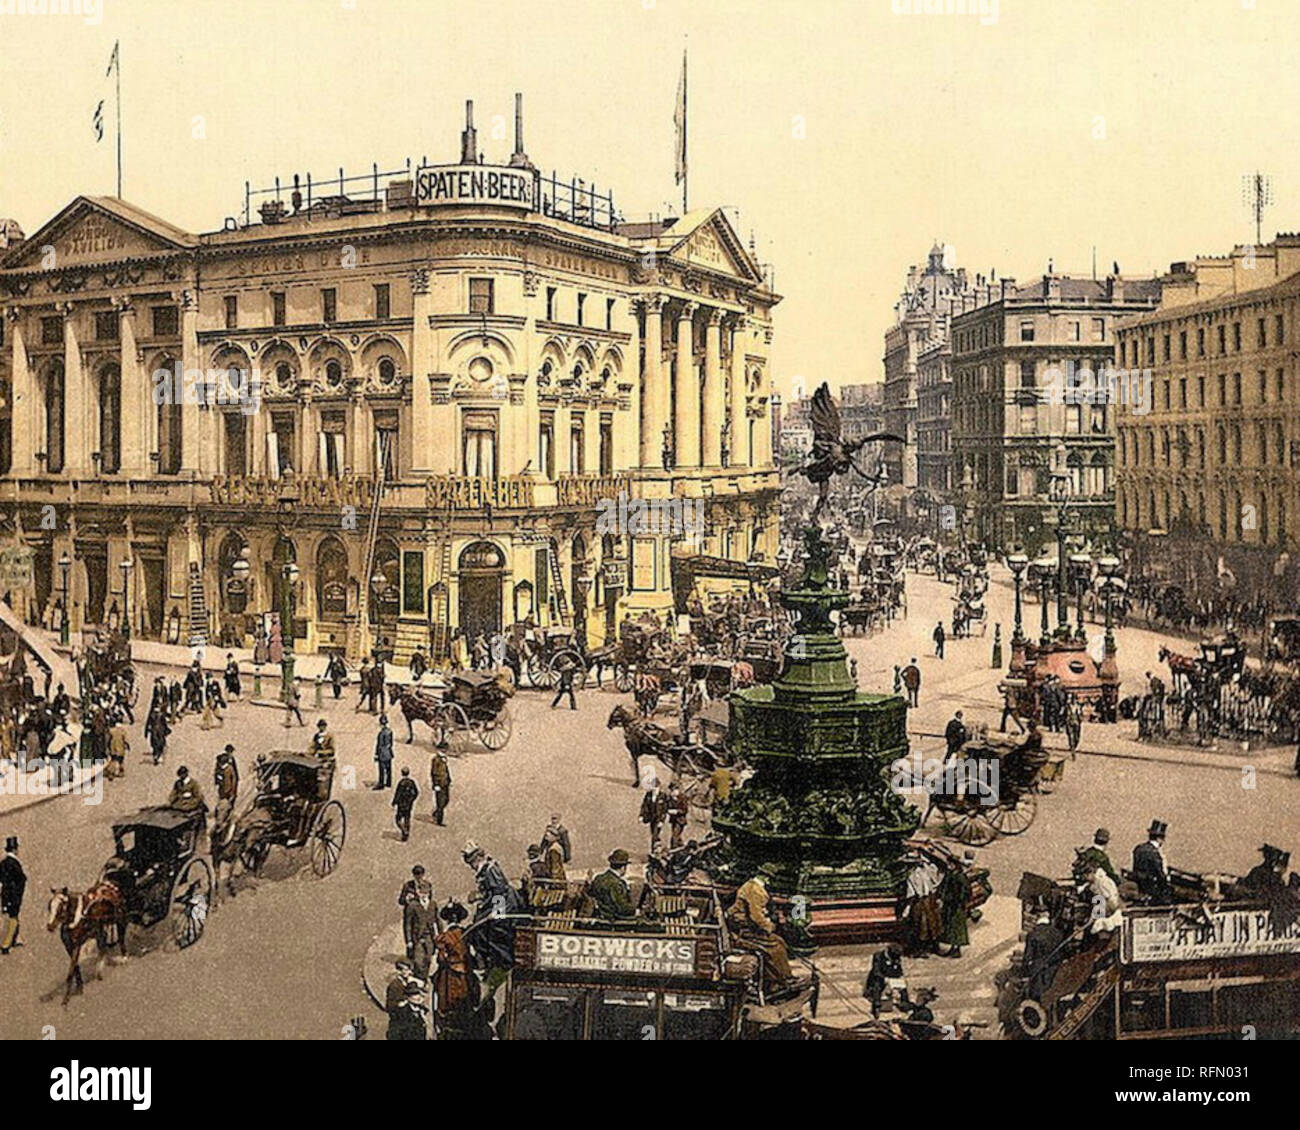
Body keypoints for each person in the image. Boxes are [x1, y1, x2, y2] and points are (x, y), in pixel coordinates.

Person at [463, 842, 523, 982]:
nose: (471, 867)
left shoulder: (491, 869)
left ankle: (504, 963)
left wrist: (496, 912)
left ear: (477, 859)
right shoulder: (485, 869)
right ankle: (489, 962)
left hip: (505, 906)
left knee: (492, 931)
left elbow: (499, 891)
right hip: (497, 903)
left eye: (471, 863)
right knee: (478, 926)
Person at [726, 874, 795, 986]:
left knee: (779, 942)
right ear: (766, 877)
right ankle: (781, 980)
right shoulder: (755, 890)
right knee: (776, 947)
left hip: (745, 928)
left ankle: (780, 978)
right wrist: (769, 927)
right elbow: (756, 917)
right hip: (744, 931)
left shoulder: (752, 886)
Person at [432, 900, 481, 1040]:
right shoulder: (466, 933)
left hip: (449, 976)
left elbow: (441, 959)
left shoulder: (445, 937)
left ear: (447, 920)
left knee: (444, 999)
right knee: (467, 1000)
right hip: (465, 973)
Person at [1022, 912, 1066, 1002]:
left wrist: (1025, 972)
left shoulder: (1033, 934)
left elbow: (1027, 957)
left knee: (1036, 995)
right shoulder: (1058, 933)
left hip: (1038, 970)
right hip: (1055, 968)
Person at [905, 855, 943, 955]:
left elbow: (912, 893)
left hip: (924, 900)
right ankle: (927, 948)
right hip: (925, 900)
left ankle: (927, 948)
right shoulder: (919, 872)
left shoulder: (919, 873)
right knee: (927, 924)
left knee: (926, 924)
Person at [939, 853, 974, 958]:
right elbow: (944, 887)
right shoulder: (951, 874)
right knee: (951, 927)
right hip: (950, 905)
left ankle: (957, 949)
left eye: (950, 864)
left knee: (957, 928)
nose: (949, 866)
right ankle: (953, 948)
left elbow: (966, 891)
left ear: (955, 865)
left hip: (957, 906)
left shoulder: (960, 877)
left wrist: (960, 901)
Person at [1132, 819, 1174, 905]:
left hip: (1140, 886)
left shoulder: (1138, 848)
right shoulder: (1155, 853)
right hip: (1153, 889)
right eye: (1163, 838)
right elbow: (1160, 875)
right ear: (1159, 839)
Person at [589, 849, 637, 920]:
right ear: (623, 867)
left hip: (599, 917)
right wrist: (635, 910)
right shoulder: (617, 884)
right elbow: (621, 908)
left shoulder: (598, 878)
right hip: (614, 920)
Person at [399, 865, 435, 959]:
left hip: (422, 915)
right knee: (411, 936)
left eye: (421, 875)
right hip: (411, 915)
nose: (419, 877)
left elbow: (430, 899)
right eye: (417, 875)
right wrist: (406, 899)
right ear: (414, 875)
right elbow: (400, 901)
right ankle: (411, 957)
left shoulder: (427, 885)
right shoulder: (408, 886)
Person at [863, 943, 907, 1018]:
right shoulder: (878, 956)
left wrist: (900, 977)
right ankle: (876, 1007)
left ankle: (905, 1004)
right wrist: (884, 978)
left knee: (903, 986)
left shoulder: (896, 957)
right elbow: (876, 971)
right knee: (877, 986)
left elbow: (899, 970)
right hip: (879, 978)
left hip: (892, 977)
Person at [0, 836, 26, 954]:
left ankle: (15, 938)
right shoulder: (13, 863)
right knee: (13, 919)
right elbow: (21, 879)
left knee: (13, 917)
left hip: (6, 895)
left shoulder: (3, 862)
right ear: (15, 850)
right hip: (13, 895)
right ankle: (6, 945)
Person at [640, 781, 668, 854]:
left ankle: (653, 852)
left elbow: (664, 810)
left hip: (658, 819)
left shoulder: (663, 796)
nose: (654, 789)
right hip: (651, 818)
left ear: (659, 787)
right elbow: (644, 805)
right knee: (654, 834)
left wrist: (662, 821)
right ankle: (658, 847)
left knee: (655, 835)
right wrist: (641, 815)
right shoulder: (648, 795)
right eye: (653, 787)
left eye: (656, 787)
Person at [392, 768, 419, 842]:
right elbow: (416, 792)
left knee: (398, 819)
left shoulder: (401, 783)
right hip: (409, 804)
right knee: (407, 818)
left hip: (401, 804)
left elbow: (398, 794)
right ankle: (406, 833)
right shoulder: (412, 782)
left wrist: (394, 802)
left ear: (402, 773)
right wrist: (412, 800)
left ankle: (404, 830)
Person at [214, 746, 239, 821]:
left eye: (231, 751)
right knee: (222, 802)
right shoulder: (221, 759)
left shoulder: (231, 762)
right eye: (229, 751)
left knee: (230, 801)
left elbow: (234, 774)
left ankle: (228, 816)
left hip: (229, 786)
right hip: (223, 786)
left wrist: (235, 785)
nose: (230, 753)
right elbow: (217, 773)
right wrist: (217, 782)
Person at [429, 749, 451, 826]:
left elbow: (446, 771)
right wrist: (435, 784)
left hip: (445, 783)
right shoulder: (436, 760)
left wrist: (449, 779)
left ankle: (436, 812)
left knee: (447, 800)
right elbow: (433, 773)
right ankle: (439, 821)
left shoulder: (444, 759)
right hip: (439, 784)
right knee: (440, 803)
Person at [665, 782, 689, 850]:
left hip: (680, 820)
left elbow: (685, 810)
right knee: (677, 836)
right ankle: (682, 847)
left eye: (673, 790)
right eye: (671, 791)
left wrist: (676, 811)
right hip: (674, 820)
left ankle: (673, 849)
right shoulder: (670, 798)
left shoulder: (682, 797)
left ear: (677, 790)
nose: (672, 792)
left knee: (674, 836)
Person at [374, 715, 394, 789]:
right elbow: (391, 743)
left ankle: (381, 784)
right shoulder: (390, 731)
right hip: (389, 752)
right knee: (389, 768)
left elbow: (379, 745)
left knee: (381, 769)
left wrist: (376, 754)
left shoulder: (381, 733)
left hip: (382, 753)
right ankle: (389, 782)